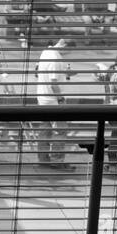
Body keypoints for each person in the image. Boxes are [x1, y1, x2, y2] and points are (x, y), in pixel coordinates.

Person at [35, 37, 73, 168]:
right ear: (64, 45)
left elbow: (39, 72)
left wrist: (66, 73)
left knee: (45, 129)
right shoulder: (55, 59)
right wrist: (61, 99)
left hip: (42, 98)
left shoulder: (45, 52)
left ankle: (43, 159)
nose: (67, 53)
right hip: (53, 101)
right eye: (68, 50)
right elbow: (53, 84)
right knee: (60, 131)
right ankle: (57, 161)